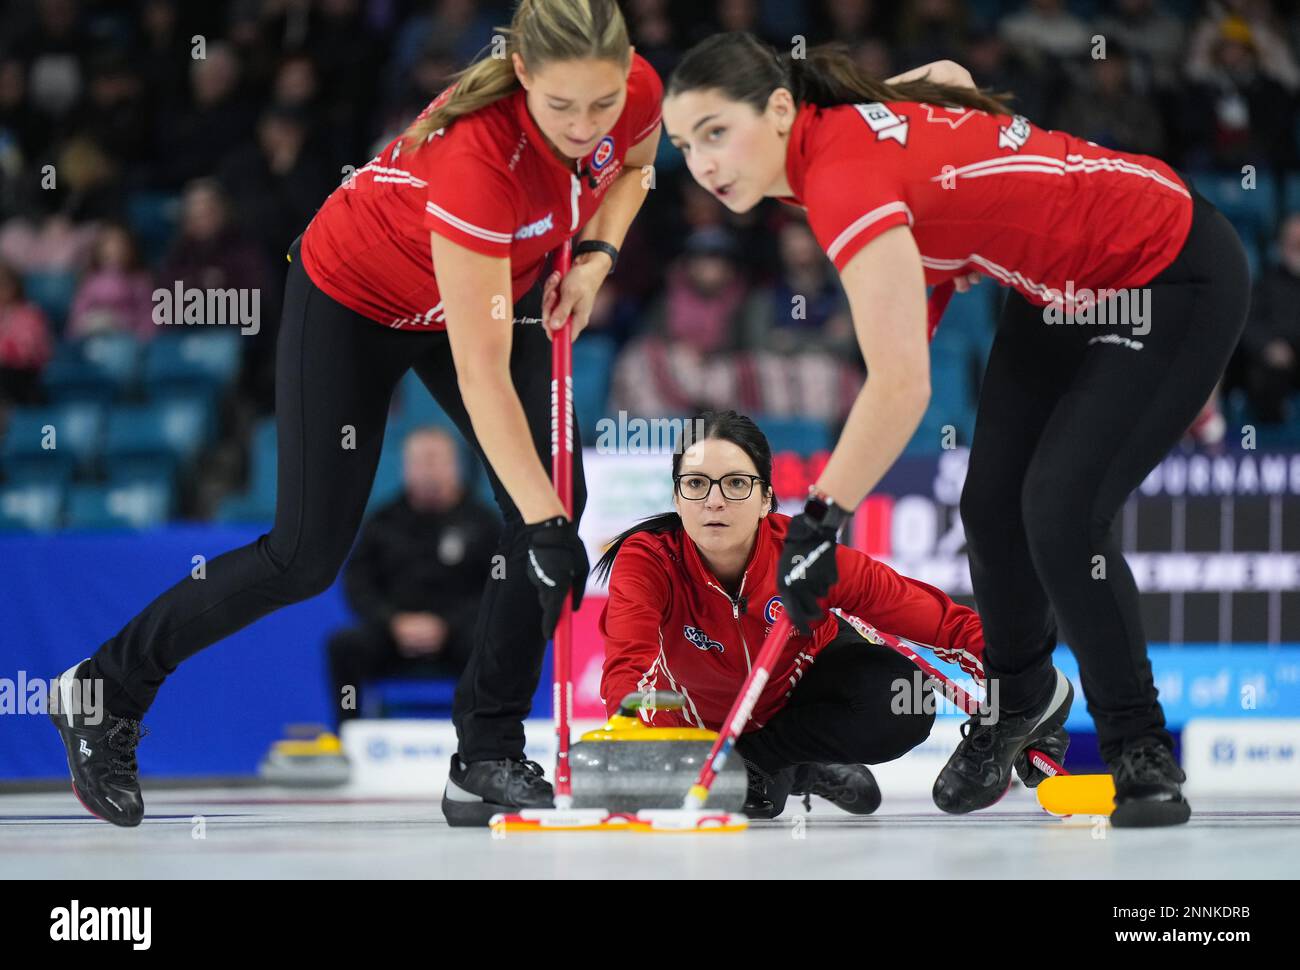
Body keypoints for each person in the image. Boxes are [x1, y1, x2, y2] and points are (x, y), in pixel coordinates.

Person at [48, 0, 662, 829]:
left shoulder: (633, 96)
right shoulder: (481, 158)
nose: (586, 127)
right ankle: (104, 690)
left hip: (487, 292)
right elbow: (483, 381)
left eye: (602, 104)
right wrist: (547, 522)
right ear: (522, 76)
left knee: (551, 505)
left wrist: (593, 259)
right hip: (356, 299)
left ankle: (486, 753)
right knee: (306, 557)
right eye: (562, 108)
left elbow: (634, 169)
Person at [662, 32, 1252, 826]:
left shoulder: (839, 176)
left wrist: (817, 522)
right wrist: (963, 209)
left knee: (1062, 512)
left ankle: (1138, 748)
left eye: (715, 133)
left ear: (776, 110)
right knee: (990, 509)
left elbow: (903, 384)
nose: (702, 163)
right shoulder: (825, 127)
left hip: (1169, 268)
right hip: (1051, 288)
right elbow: (947, 75)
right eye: (683, 143)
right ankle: (1021, 702)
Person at [596, 410, 996, 818]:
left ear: (766, 498)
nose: (714, 500)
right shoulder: (648, 558)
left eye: (735, 483)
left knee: (903, 703)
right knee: (752, 806)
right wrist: (629, 739)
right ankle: (803, 771)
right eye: (696, 484)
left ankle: (770, 760)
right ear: (677, 498)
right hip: (703, 726)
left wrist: (1020, 683)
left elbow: (933, 619)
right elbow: (629, 661)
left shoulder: (803, 554)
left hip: (799, 696)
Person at [327, 427, 499, 726]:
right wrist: (393, 621)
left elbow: (496, 587)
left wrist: (447, 624)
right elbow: (359, 583)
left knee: (490, 649)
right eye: (419, 461)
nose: (427, 470)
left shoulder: (482, 522)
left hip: (458, 635)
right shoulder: (382, 522)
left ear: (455, 465)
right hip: (393, 634)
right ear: (405, 467)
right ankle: (350, 736)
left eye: (435, 460)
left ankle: (482, 739)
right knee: (344, 647)